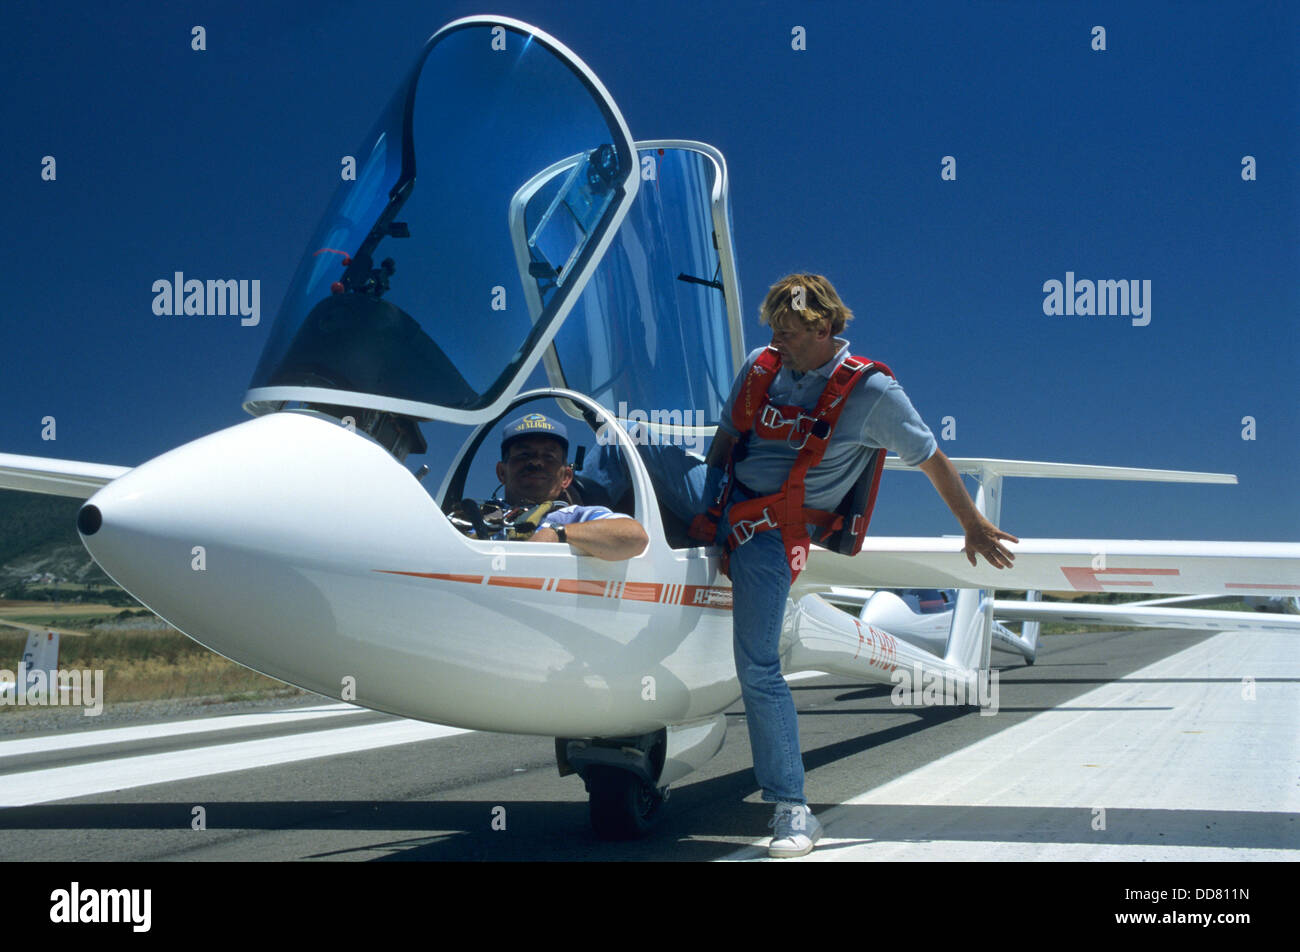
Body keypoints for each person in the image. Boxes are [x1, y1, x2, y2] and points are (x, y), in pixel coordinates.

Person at [702, 274, 1017, 858]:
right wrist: (699, 515)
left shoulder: (873, 393)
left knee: (758, 665)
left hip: (770, 536)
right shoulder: (762, 366)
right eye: (773, 329)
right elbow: (725, 442)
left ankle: (793, 807)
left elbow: (931, 459)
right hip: (722, 506)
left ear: (823, 328)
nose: (778, 342)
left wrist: (971, 525)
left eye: (790, 332)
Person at [475, 412, 649, 561]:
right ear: (501, 472)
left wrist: (557, 533)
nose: (536, 462)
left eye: (549, 457)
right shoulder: (475, 514)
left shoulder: (575, 517)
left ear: (566, 478)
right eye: (524, 454)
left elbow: (634, 536)